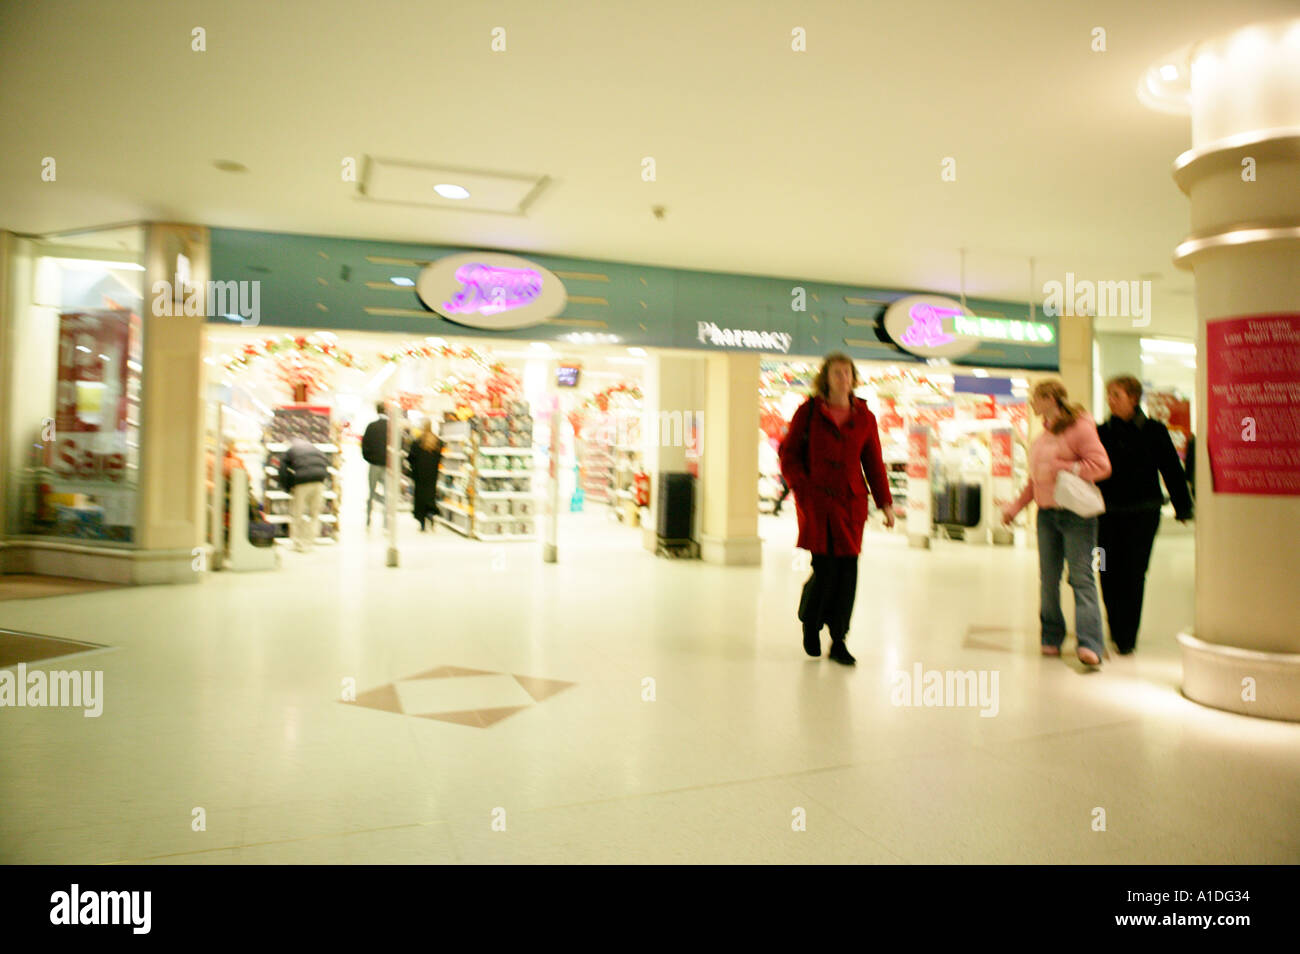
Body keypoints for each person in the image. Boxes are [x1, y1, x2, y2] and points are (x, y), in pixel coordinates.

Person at [779, 353, 896, 665]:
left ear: (854, 378)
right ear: (826, 378)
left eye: (847, 373)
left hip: (850, 504)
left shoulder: (865, 418)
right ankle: (811, 619)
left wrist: (885, 504)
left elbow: (873, 462)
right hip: (817, 504)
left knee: (847, 573)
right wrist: (802, 488)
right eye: (837, 373)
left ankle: (839, 639)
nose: (843, 378)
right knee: (825, 569)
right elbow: (789, 455)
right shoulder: (808, 412)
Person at [1000, 380, 1112, 666]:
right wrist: (1015, 508)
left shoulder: (1080, 427)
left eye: (1035, 398)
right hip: (1047, 515)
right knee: (1048, 579)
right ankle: (1051, 636)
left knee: (1081, 578)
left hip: (1076, 515)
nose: (1032, 404)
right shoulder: (1041, 439)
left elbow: (1101, 466)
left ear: (1050, 398)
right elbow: (1035, 481)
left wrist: (1066, 467)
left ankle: (1090, 643)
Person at [1095, 375, 1193, 655]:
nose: (1110, 400)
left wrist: (1182, 506)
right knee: (1106, 570)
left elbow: (1171, 469)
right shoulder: (1101, 432)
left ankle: (1127, 636)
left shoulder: (1154, 431)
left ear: (1133, 398)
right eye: (1109, 394)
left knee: (1134, 572)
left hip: (1142, 515)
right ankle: (1115, 626)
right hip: (1106, 515)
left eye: (1116, 395)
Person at [279, 437, 330, 552]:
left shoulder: (290, 451)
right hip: (319, 480)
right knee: (314, 514)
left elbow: (283, 471)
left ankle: (298, 543)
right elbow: (325, 462)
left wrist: (288, 487)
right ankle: (310, 542)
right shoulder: (314, 448)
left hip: (303, 481)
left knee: (297, 513)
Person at [408, 429, 443, 532]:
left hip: (419, 475)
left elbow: (411, 457)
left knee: (420, 498)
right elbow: (440, 456)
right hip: (432, 475)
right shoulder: (437, 442)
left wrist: (413, 468)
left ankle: (422, 522)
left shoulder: (417, 442)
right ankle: (431, 514)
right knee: (430, 495)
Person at [361, 402, 388, 528]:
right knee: (387, 494)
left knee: (371, 492)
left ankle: (368, 518)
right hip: (387, 466)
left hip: (374, 465)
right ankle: (386, 522)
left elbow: (364, 444)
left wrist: (369, 458)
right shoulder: (391, 427)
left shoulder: (371, 427)